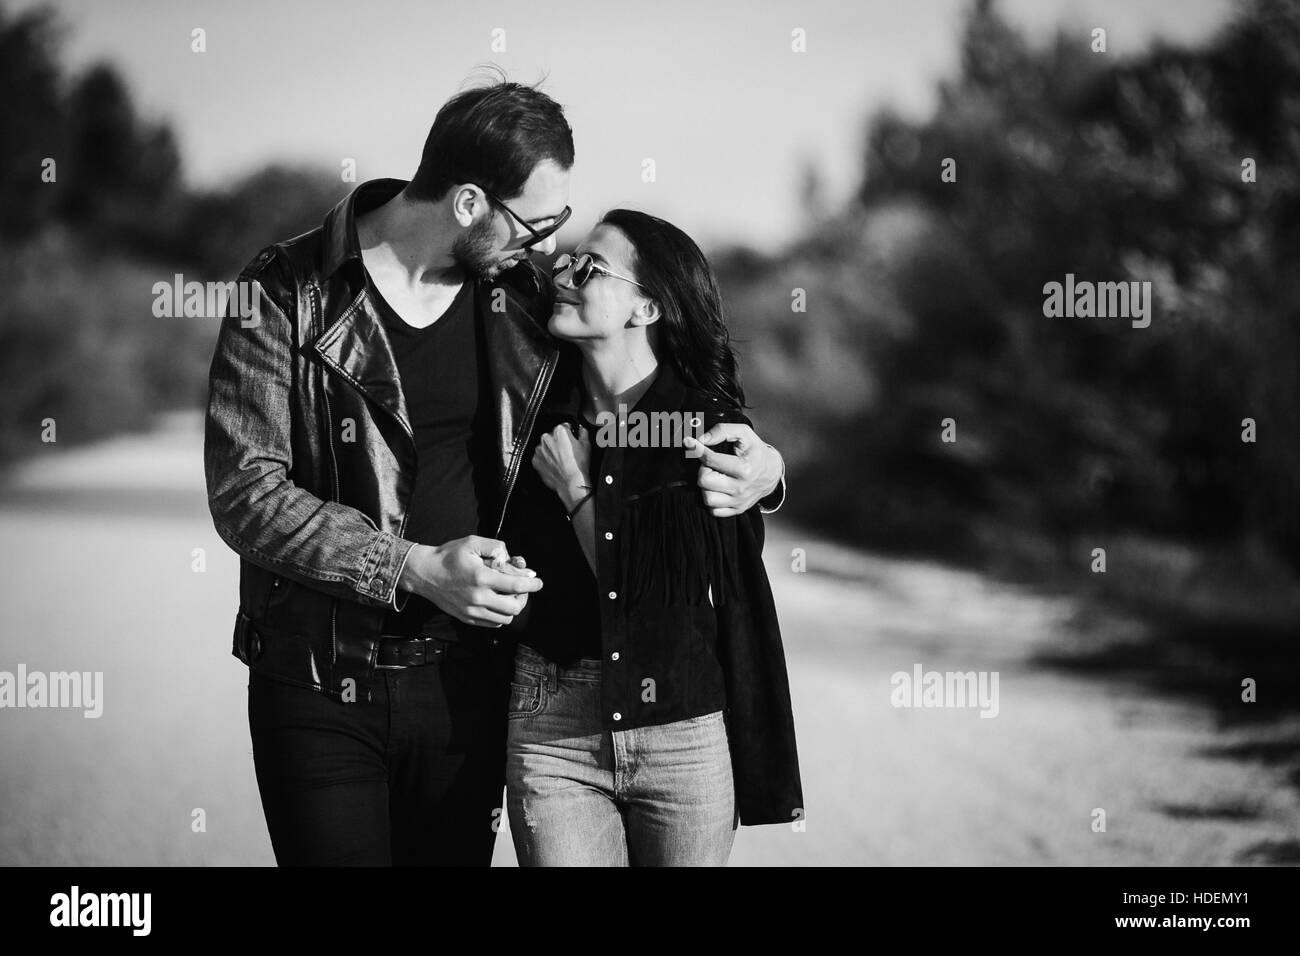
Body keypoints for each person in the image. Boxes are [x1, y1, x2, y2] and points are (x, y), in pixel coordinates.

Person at [203, 81, 788, 866]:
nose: (549, 247)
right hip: (318, 676)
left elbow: (653, 370)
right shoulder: (286, 289)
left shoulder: (519, 292)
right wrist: (410, 567)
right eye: (538, 222)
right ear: (471, 203)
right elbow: (247, 493)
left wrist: (761, 459)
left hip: (469, 676)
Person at [501, 210, 803, 866]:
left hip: (681, 727)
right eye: (567, 261)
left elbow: (650, 597)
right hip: (554, 721)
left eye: (591, 268)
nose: (564, 274)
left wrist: (578, 491)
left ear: (647, 308)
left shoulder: (703, 427)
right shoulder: (528, 413)